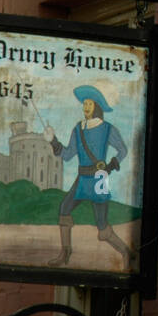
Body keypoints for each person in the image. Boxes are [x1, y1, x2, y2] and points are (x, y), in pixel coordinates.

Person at [44, 86, 133, 267]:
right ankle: (65, 253)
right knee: (64, 208)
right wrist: (53, 141)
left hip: (99, 178)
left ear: (97, 106)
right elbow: (68, 154)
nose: (85, 107)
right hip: (82, 178)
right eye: (84, 104)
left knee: (102, 227)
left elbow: (123, 150)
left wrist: (110, 166)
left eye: (89, 104)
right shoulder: (78, 129)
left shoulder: (107, 129)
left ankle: (126, 252)